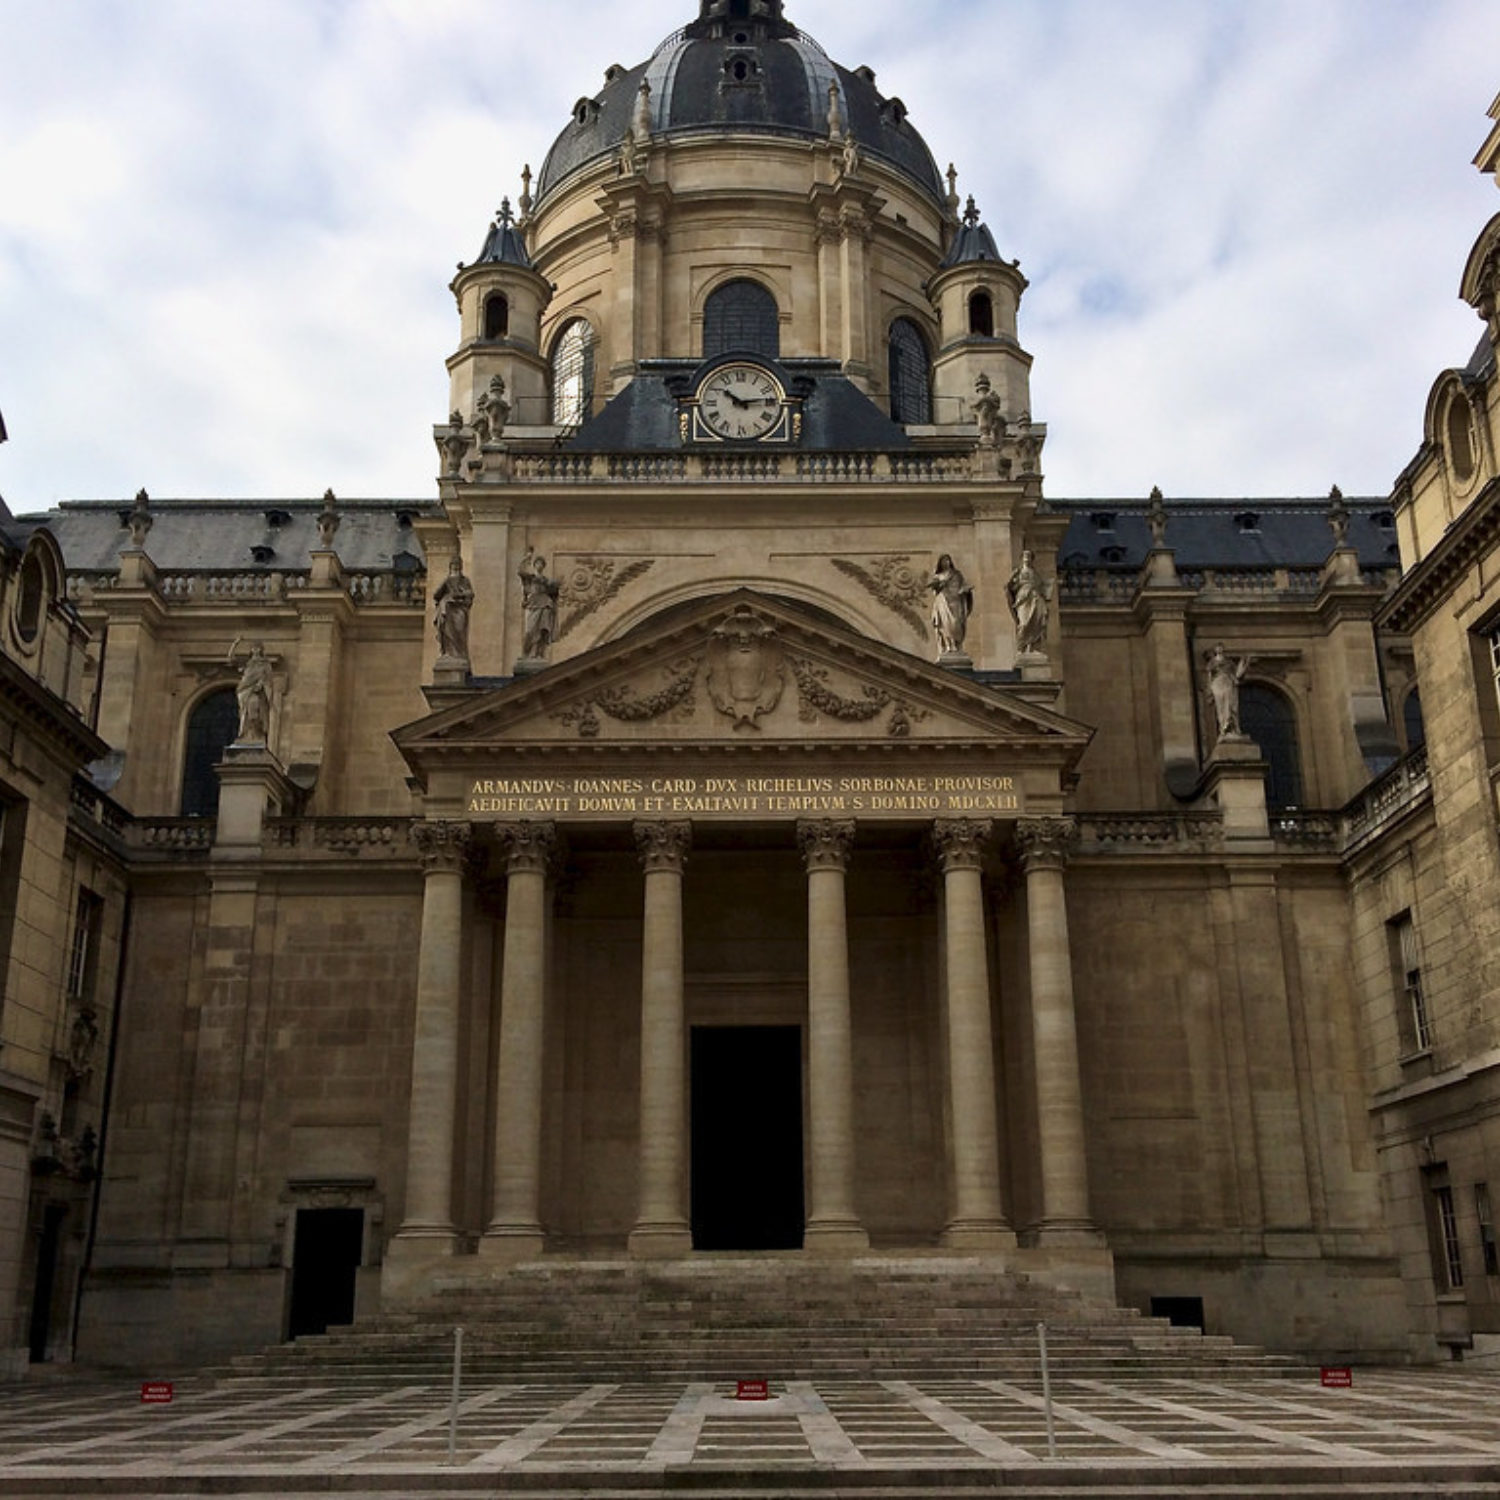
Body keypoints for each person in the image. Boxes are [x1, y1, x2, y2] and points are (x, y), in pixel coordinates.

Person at [928, 554, 973, 656]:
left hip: (956, 602)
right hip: (943, 602)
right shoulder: (938, 576)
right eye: (944, 561)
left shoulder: (957, 574)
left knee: (956, 623)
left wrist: (965, 591)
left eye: (948, 560)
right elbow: (934, 592)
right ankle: (949, 645)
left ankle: (957, 645)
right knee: (945, 625)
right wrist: (938, 586)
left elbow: (964, 586)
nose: (946, 562)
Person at [1006, 549, 1049, 654]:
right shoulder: (1018, 572)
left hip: (1035, 597)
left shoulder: (1035, 574)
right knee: (1024, 623)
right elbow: (1009, 587)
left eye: (1029, 556)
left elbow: (1042, 587)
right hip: (1023, 599)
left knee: (1037, 622)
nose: (1027, 558)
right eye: (1025, 556)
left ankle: (1032, 646)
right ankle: (1022, 646)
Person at [520, 549, 560, 661]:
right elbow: (520, 571)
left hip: (545, 604)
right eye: (538, 563)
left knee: (542, 630)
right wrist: (527, 558)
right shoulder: (531, 578)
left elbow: (554, 592)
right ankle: (526, 653)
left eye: (542, 564)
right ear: (534, 565)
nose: (540, 565)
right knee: (530, 630)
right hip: (534, 604)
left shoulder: (546, 580)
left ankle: (537, 653)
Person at [433, 556, 475, 661]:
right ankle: (450, 653)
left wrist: (460, 594)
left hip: (460, 608)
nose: (455, 567)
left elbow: (470, 593)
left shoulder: (464, 580)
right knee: (447, 629)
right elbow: (436, 594)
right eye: (453, 565)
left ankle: (459, 654)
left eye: (457, 565)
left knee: (459, 630)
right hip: (449, 608)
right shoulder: (447, 580)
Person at [1207, 644, 1251, 740]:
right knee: (1221, 707)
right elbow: (1209, 677)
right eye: (1218, 648)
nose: (1219, 649)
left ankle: (1233, 728)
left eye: (1221, 647)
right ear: (1215, 650)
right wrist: (1209, 690)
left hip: (1228, 683)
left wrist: (1244, 664)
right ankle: (1224, 729)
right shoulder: (1212, 663)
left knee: (1230, 705)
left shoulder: (1229, 662)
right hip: (1218, 685)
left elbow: (1237, 675)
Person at [232, 642, 273, 743]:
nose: (255, 649)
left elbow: (268, 677)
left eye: (258, 648)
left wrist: (261, 684)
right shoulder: (247, 662)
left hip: (256, 690)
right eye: (253, 648)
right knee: (244, 712)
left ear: (261, 650)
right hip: (244, 689)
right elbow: (231, 659)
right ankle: (245, 734)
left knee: (254, 711)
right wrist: (235, 643)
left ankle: (256, 735)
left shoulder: (265, 663)